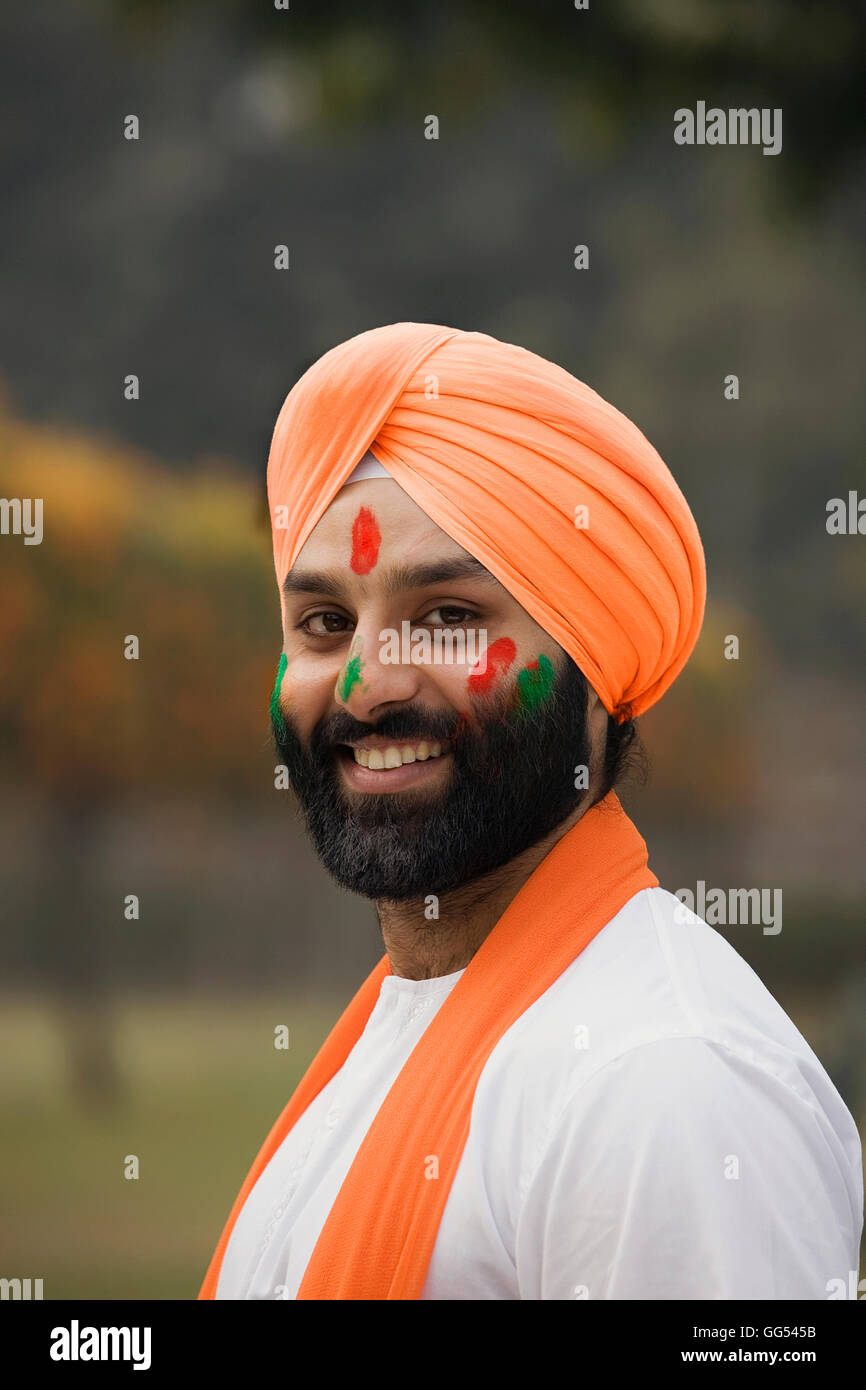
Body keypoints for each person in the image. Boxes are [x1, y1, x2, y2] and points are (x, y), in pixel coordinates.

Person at [199, 322, 862, 1300]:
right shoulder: (398, 1027)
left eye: (450, 617)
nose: (366, 683)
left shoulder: (664, 1086)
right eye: (325, 623)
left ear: (593, 674)